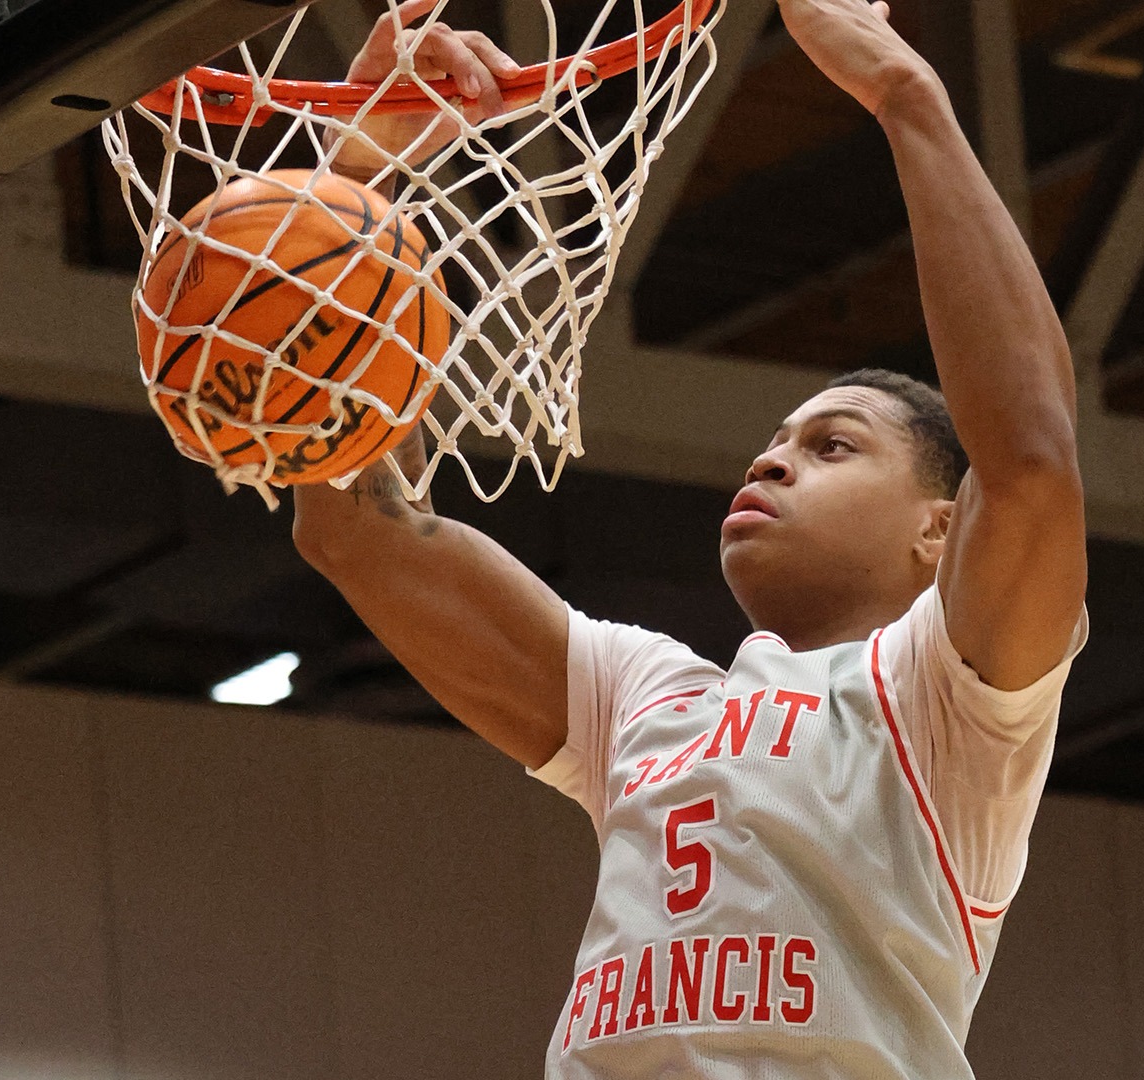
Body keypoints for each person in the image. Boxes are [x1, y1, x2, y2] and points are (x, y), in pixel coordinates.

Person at [294, 0, 1089, 1075]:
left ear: (941, 533)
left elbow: (1032, 460)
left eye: (833, 447)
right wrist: (355, 180)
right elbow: (351, 526)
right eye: (775, 441)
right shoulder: (647, 696)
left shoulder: (949, 707)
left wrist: (909, 99)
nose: (770, 462)